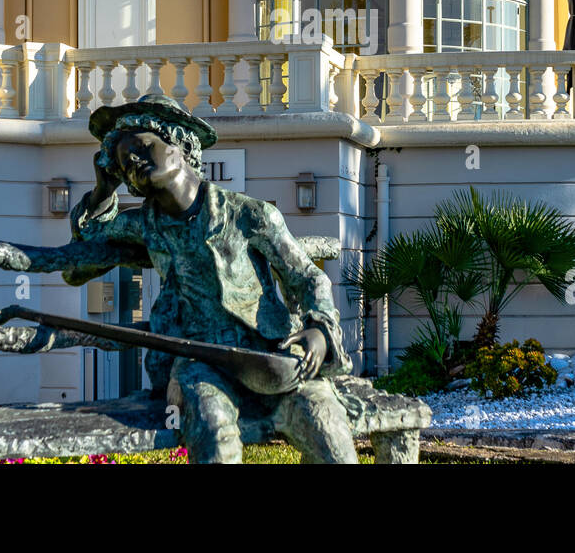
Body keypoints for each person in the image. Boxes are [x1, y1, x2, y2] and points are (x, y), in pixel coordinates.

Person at [62, 94, 358, 464]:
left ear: (179, 143)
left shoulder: (250, 214)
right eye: (124, 163)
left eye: (140, 147)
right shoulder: (144, 224)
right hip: (199, 361)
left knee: (328, 431)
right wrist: (104, 188)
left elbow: (307, 277)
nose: (132, 162)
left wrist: (319, 330)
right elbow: (83, 251)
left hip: (273, 355)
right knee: (214, 437)